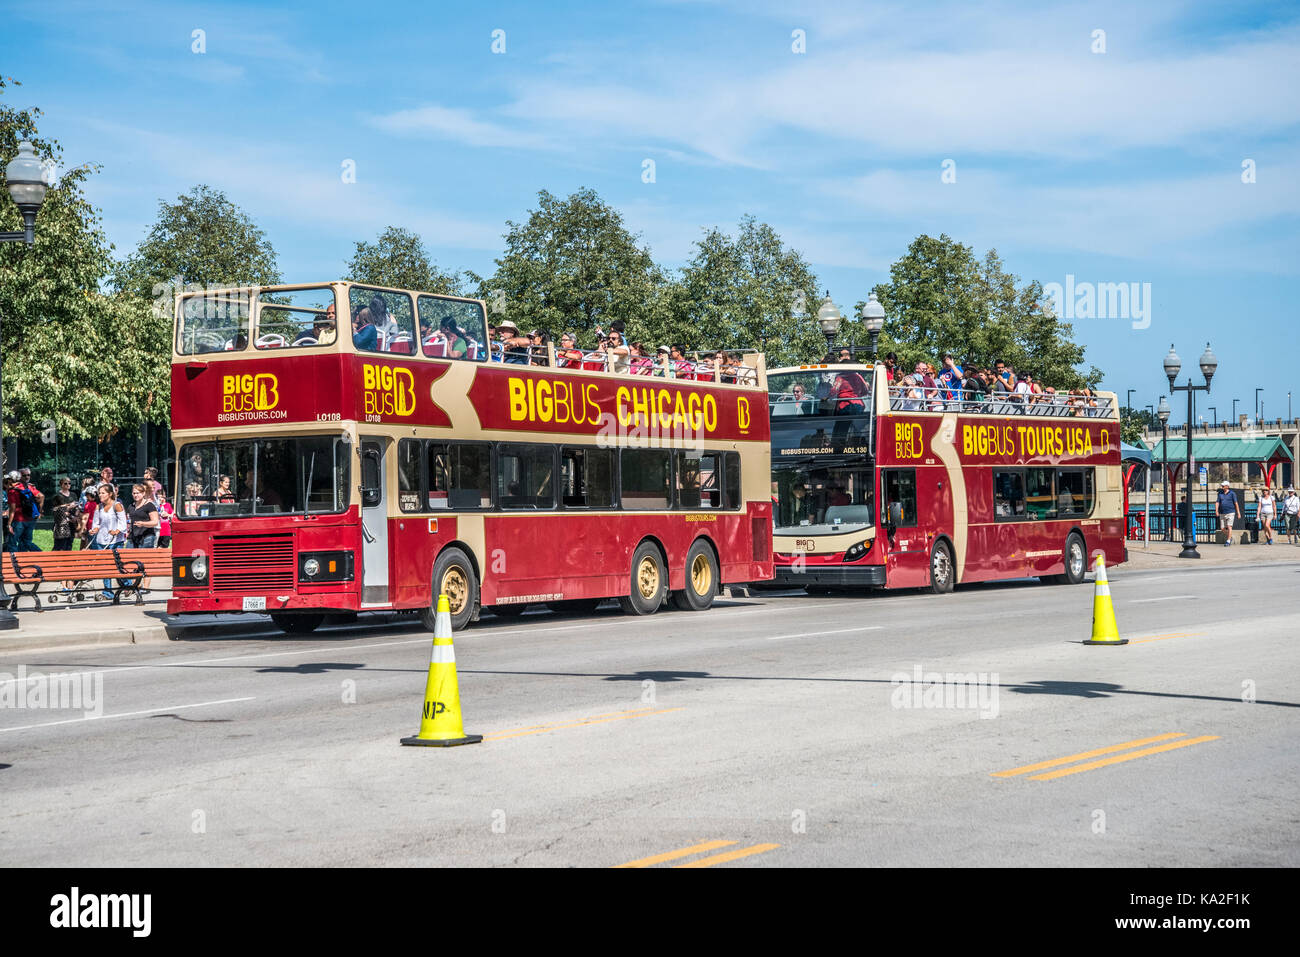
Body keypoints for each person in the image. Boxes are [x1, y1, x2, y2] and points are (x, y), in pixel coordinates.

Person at [88, 484, 129, 601]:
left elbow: (123, 523)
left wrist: (117, 530)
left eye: (103, 493)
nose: (100, 495)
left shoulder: (117, 506)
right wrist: (94, 529)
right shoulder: (98, 507)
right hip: (102, 540)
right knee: (105, 566)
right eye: (99, 493)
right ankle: (108, 591)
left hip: (115, 540)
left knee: (118, 565)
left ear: (110, 494)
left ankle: (128, 584)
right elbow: (96, 523)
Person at [6, 468, 43, 551]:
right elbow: (41, 496)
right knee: (26, 542)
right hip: (30, 519)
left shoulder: (12, 491)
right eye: (25, 475)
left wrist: (9, 524)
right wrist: (39, 510)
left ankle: (14, 562)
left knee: (12, 543)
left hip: (18, 519)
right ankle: (23, 560)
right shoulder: (30, 487)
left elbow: (12, 509)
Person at [50, 478, 79, 551]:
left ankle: (67, 560)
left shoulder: (73, 494)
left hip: (71, 522)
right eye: (65, 483)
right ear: (61, 485)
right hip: (62, 523)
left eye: (69, 483)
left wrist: (75, 516)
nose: (68, 485)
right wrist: (68, 506)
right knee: (59, 544)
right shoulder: (57, 496)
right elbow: (55, 509)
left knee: (69, 543)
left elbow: (77, 506)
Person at [1216, 479, 1242, 546]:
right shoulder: (1220, 493)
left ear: (1227, 486)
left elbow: (1236, 503)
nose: (1222, 486)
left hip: (1230, 512)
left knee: (1229, 526)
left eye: (1223, 485)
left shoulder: (1232, 493)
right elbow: (1217, 502)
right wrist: (1216, 511)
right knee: (1222, 528)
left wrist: (1238, 513)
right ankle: (1230, 537)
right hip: (1222, 512)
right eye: (1222, 485)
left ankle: (1228, 541)